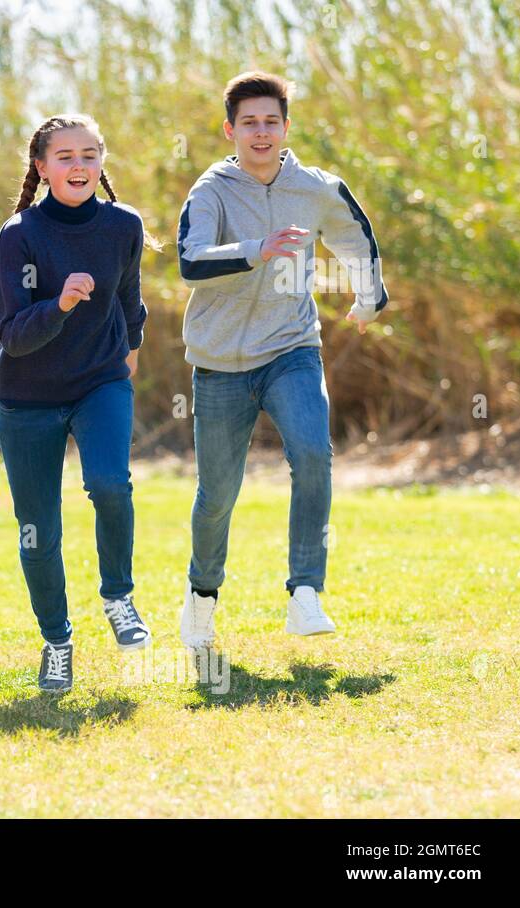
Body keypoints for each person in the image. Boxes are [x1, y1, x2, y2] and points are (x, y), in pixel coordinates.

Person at [176, 71, 388, 648]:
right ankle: (201, 594)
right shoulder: (212, 190)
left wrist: (369, 298)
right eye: (250, 122)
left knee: (313, 451)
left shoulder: (314, 187)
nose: (261, 132)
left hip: (291, 347)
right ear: (230, 130)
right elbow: (191, 263)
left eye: (272, 121)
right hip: (219, 359)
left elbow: (354, 235)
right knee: (218, 492)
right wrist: (256, 250)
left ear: (286, 127)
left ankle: (305, 593)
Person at [0, 114, 158, 695]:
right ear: (41, 167)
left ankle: (119, 598)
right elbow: (13, 335)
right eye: (65, 156)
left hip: (100, 383)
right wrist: (60, 305)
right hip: (27, 398)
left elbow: (130, 297)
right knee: (38, 530)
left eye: (90, 155)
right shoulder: (20, 234)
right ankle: (57, 641)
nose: (79, 166)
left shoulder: (123, 226)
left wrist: (130, 347)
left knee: (111, 483)